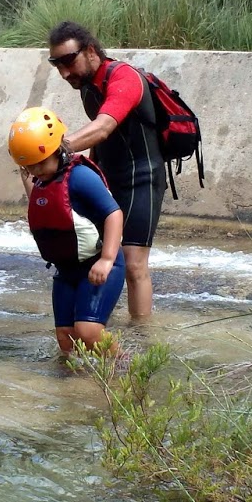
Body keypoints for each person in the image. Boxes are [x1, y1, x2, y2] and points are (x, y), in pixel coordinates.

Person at [45, 21, 165, 319]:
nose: (64, 73)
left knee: (133, 264)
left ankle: (141, 339)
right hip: (108, 178)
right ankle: (93, 326)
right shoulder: (87, 87)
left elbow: (104, 126)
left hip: (142, 179)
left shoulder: (124, 77)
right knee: (94, 255)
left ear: (90, 51)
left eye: (68, 61)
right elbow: (102, 143)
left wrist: (52, 149)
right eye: (56, 64)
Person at [8, 107, 126, 357]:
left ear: (56, 149)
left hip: (98, 266)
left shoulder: (80, 177)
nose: (36, 171)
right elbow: (44, 204)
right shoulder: (41, 179)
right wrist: (28, 172)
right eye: (29, 167)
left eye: (40, 163)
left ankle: (127, 370)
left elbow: (113, 214)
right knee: (65, 336)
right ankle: (73, 387)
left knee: (89, 331)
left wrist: (106, 259)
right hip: (67, 270)